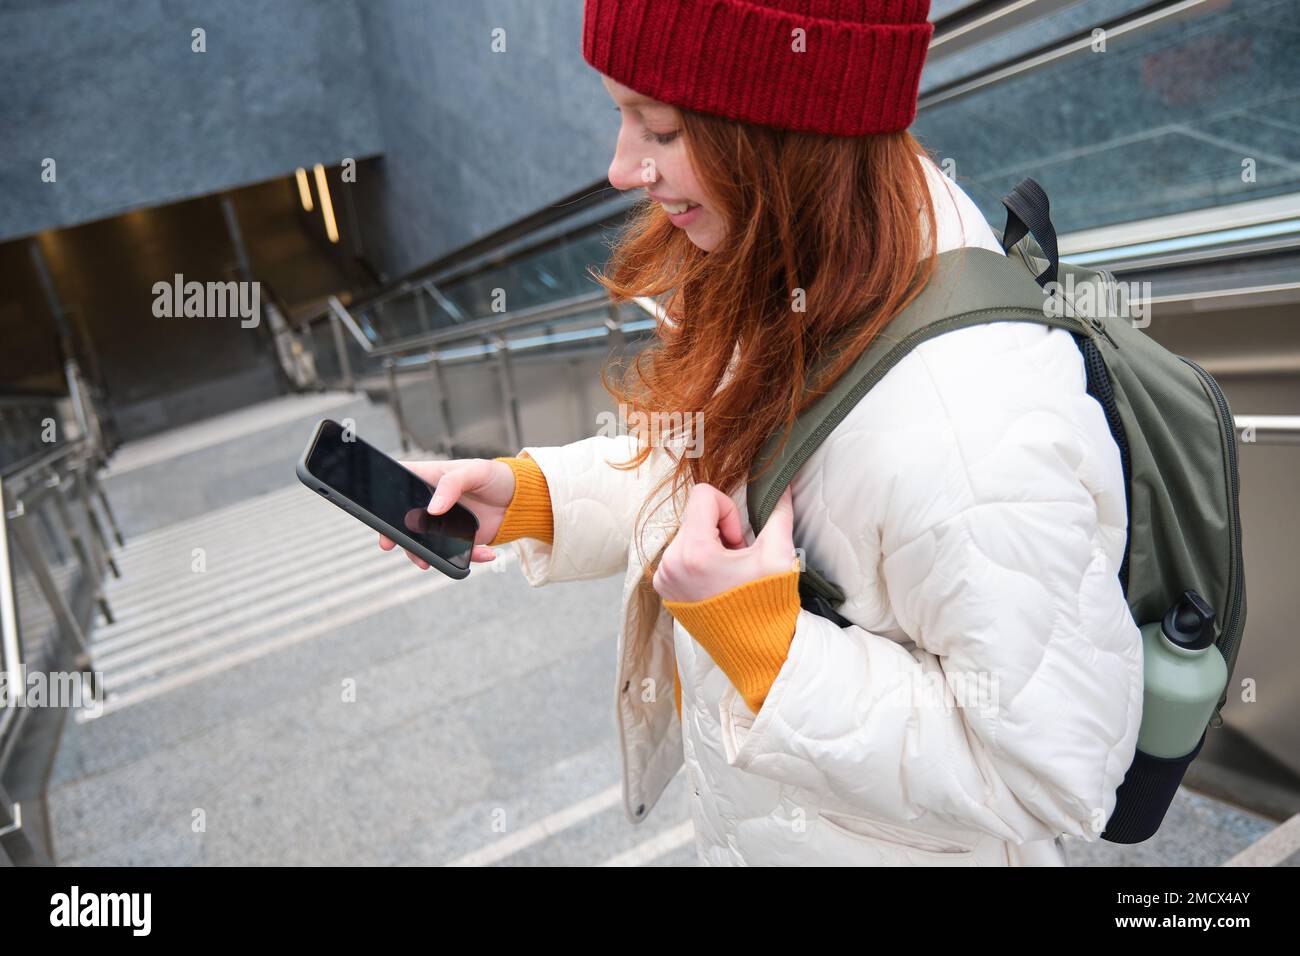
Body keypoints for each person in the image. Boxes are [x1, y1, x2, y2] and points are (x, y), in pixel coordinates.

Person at [379, 0, 1142, 866]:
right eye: (619, 113)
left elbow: (1055, 772)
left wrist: (770, 648)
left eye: (659, 129)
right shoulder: (801, 260)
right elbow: (717, 475)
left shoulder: (966, 430)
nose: (622, 166)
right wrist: (531, 498)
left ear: (788, 128)